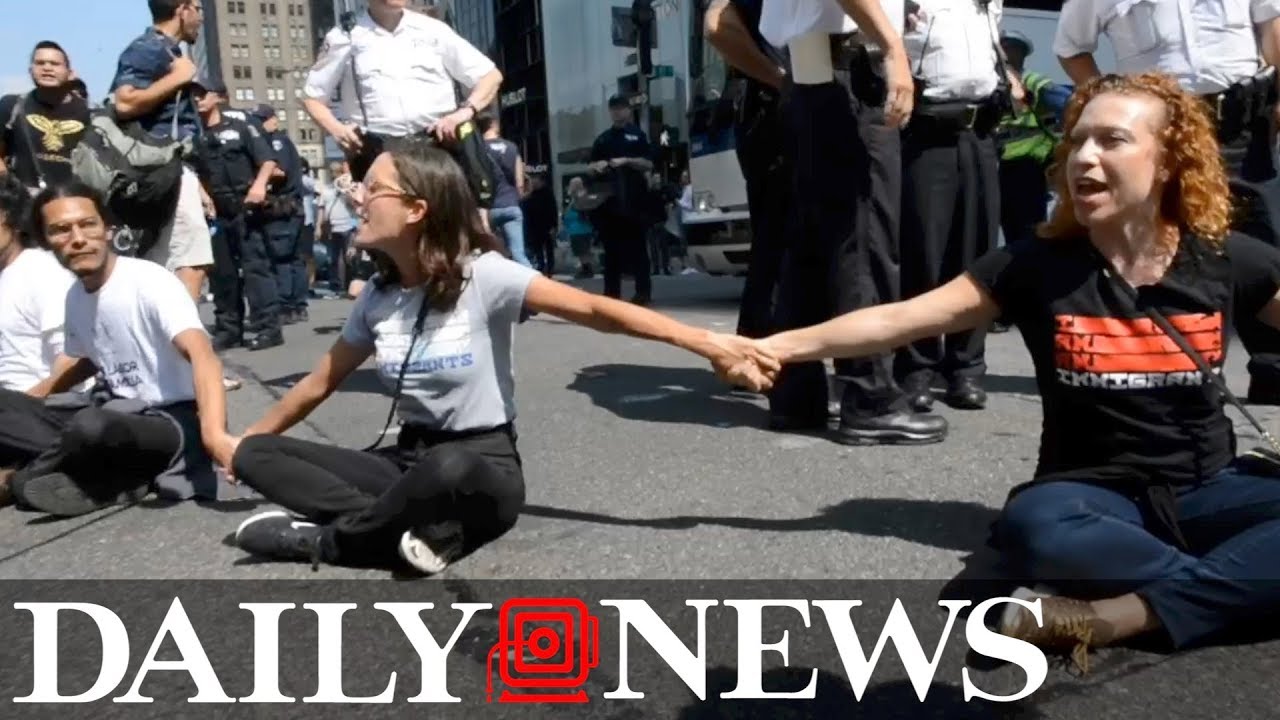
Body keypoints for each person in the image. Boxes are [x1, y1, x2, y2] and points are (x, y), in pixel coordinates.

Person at [754, 73, 1280, 670]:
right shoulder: (1033, 265)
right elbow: (898, 320)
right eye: (1077, 141)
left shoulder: (1226, 258)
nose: (1084, 157)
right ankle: (1235, 587)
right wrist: (777, 347)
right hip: (1089, 499)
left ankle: (1119, 616)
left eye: (1112, 141)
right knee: (1037, 528)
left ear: (1167, 162)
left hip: (1209, 489)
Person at [226, 140, 777, 574]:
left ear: (417, 209)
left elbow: (596, 309)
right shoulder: (376, 297)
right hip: (406, 463)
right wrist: (239, 444)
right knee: (259, 456)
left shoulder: (484, 277)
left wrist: (708, 343)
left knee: (449, 466)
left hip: (481, 466)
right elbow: (319, 382)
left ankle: (329, 540)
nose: (356, 198)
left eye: (372, 189)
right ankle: (403, 530)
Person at [1054, 0, 1280, 405]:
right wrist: (1113, 107)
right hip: (1164, 128)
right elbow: (1071, 48)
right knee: (1174, 242)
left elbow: (1271, 25)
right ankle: (1178, 364)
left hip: (1246, 120)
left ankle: (1273, 370)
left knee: (1262, 239)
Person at [760, 0, 946, 445]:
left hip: (812, 73)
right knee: (865, 241)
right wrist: (892, 45)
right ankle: (871, 398)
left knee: (811, 246)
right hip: (849, 75)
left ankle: (796, 393)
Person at [0, 181, 235, 518]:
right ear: (46, 242)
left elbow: (203, 357)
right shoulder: (75, 296)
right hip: (113, 410)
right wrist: (25, 406)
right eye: (61, 230)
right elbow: (85, 362)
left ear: (107, 230)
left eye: (88, 224)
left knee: (91, 426)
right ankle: (106, 478)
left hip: (169, 420)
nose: (78, 238)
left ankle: (28, 479)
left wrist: (215, 437)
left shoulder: (148, 280)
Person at [893, 0, 1011, 413]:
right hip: (926, 133)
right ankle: (915, 369)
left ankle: (966, 367)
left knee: (977, 254)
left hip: (978, 134)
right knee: (922, 255)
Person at [303, 0, 503, 185]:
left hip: (437, 148)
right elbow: (313, 97)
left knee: (450, 219)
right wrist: (338, 130)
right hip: (381, 153)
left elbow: (490, 76)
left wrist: (464, 112)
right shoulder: (343, 36)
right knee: (391, 222)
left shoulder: (433, 29)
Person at [109, 0, 215, 303]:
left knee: (171, 262)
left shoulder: (168, 51)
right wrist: (177, 78)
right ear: (183, 9)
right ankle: (182, 343)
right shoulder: (148, 48)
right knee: (190, 262)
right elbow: (124, 102)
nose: (201, 16)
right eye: (198, 7)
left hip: (173, 171)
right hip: (159, 168)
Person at [704, 0, 790, 339]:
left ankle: (756, 344)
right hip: (774, 110)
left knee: (774, 239)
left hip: (771, 108)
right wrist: (782, 82)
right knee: (780, 237)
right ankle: (762, 346)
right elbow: (716, 26)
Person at [0, 173, 77, 505]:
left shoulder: (40, 271)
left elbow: (71, 362)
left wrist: (22, 404)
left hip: (48, 412)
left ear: (7, 217)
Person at [192, 80, 283, 352]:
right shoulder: (192, 134)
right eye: (192, 96)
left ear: (217, 98)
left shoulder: (241, 125)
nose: (197, 100)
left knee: (256, 269)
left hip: (246, 207)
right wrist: (202, 195)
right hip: (216, 212)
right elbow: (192, 169)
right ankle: (229, 329)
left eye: (202, 94)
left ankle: (268, 328)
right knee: (222, 273)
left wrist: (258, 186)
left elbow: (267, 160)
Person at [587, 96, 656, 305]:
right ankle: (611, 294)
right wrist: (596, 166)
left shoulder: (637, 136)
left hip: (634, 199)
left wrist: (627, 161)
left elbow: (648, 164)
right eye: (614, 109)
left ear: (628, 110)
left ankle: (643, 292)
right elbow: (589, 168)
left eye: (621, 108)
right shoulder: (603, 139)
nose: (618, 112)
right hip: (609, 201)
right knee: (611, 250)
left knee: (638, 248)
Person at [0, 41, 91, 193]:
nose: (47, 68)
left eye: (55, 64)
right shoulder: (11, 105)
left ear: (70, 73)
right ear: (31, 70)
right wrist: (9, 189)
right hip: (23, 203)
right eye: (40, 63)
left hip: (72, 202)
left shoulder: (91, 113)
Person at [477, 112, 531, 267]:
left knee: (489, 256)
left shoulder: (478, 149)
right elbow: (519, 181)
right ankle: (534, 284)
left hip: (488, 209)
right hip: (511, 205)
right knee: (519, 253)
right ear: (494, 125)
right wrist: (517, 198)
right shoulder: (512, 147)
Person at [318, 161, 360, 293]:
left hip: (348, 225)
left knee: (349, 257)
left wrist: (345, 189)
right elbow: (321, 208)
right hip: (333, 227)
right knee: (333, 258)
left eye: (336, 172)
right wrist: (318, 226)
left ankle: (349, 284)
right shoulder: (326, 189)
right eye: (331, 171)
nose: (333, 175)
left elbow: (354, 204)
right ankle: (335, 285)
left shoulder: (349, 188)